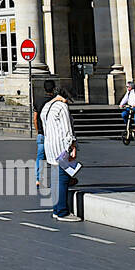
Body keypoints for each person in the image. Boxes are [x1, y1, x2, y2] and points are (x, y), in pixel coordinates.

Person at [41, 86, 80, 221]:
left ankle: (56, 209)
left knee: (55, 178)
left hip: (49, 146)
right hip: (61, 147)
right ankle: (62, 211)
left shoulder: (47, 106)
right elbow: (67, 129)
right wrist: (72, 145)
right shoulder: (61, 107)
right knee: (62, 179)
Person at [33, 79, 57, 189]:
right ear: (54, 88)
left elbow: (35, 118)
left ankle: (38, 179)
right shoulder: (56, 100)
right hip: (53, 134)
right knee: (57, 156)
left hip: (42, 134)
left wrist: (39, 131)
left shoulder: (38, 100)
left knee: (40, 157)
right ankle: (57, 179)